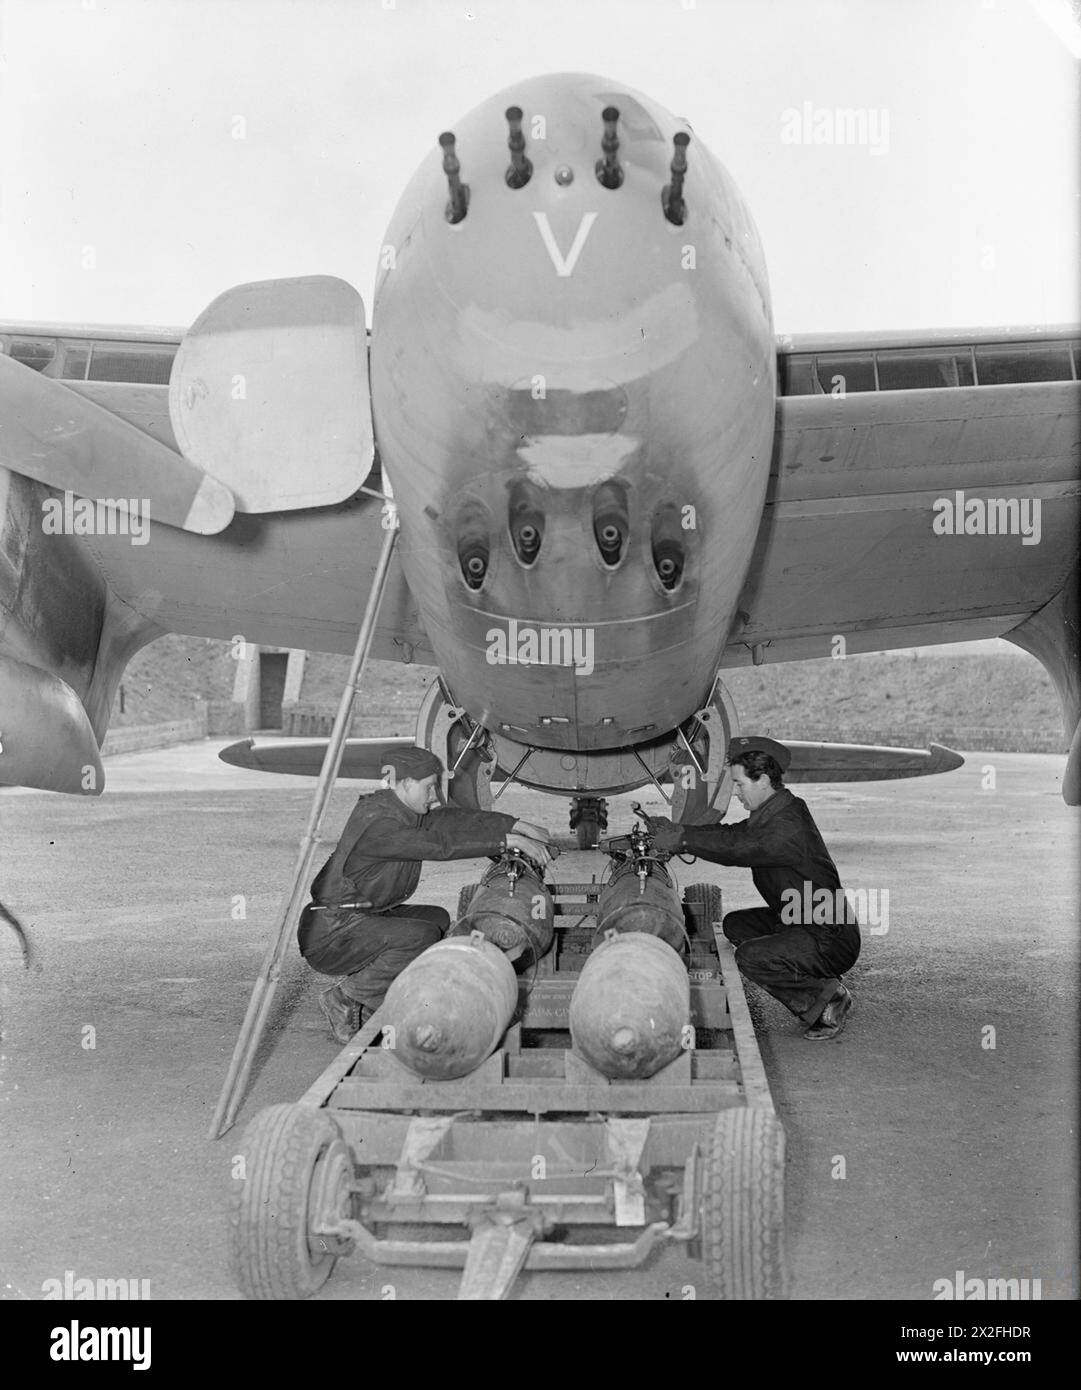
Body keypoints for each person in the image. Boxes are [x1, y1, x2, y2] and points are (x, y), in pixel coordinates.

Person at [299, 746, 552, 1042]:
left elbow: (452, 822)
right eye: (429, 787)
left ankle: (380, 998)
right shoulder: (380, 823)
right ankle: (344, 998)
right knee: (419, 936)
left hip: (359, 915)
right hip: (332, 932)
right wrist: (505, 841)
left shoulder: (401, 810)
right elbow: (440, 845)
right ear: (406, 784)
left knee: (437, 919)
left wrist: (514, 825)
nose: (434, 796)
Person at [650, 736, 859, 1040]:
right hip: (800, 917)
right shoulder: (776, 811)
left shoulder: (788, 824)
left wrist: (682, 840)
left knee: (750, 956)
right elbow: (733, 834)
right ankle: (813, 973)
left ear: (762, 780)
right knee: (736, 925)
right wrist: (681, 831)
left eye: (739, 784)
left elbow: (741, 847)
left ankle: (828, 1001)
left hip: (829, 936)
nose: (736, 792)